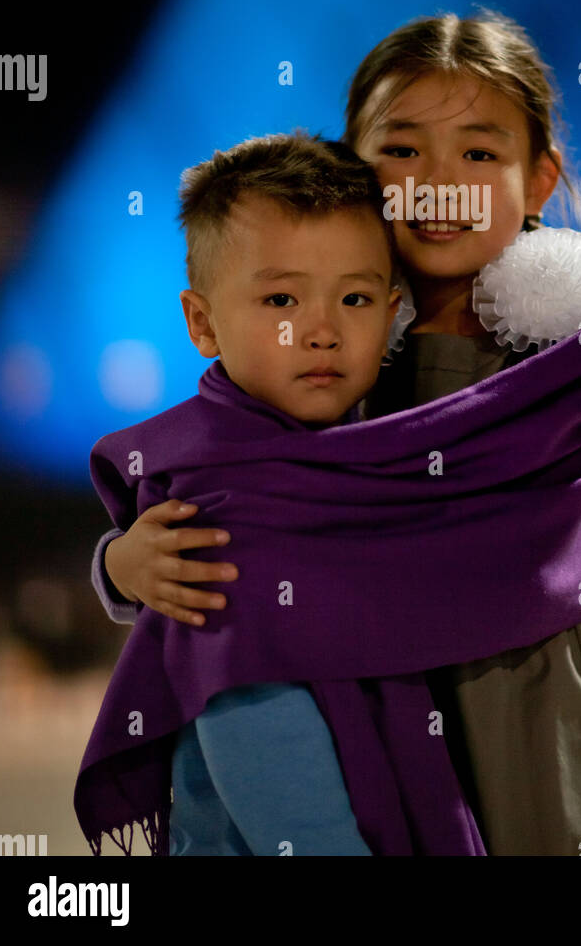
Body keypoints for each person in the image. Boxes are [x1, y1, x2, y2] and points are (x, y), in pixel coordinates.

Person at [92, 8, 581, 856]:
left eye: (477, 151)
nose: (437, 179)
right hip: (352, 708)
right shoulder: (329, 346)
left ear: (538, 181)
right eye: (400, 149)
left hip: (524, 702)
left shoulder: (560, 360)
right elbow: (230, 500)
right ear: (352, 169)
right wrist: (121, 564)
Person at [112, 132, 403, 855]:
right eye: (280, 298)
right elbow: (261, 741)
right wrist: (119, 564)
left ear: (394, 313)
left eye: (356, 298)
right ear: (202, 323)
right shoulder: (218, 510)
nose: (322, 330)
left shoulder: (387, 456)